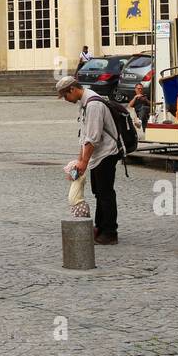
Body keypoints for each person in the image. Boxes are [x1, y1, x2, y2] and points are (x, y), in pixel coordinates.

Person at [56, 75, 119, 245]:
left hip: (106, 153)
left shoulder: (93, 105)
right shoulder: (85, 103)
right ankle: (100, 226)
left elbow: (92, 138)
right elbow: (84, 136)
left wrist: (83, 162)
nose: (66, 100)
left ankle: (110, 231)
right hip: (98, 155)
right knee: (99, 192)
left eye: (65, 96)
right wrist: (80, 160)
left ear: (73, 90)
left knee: (105, 193)